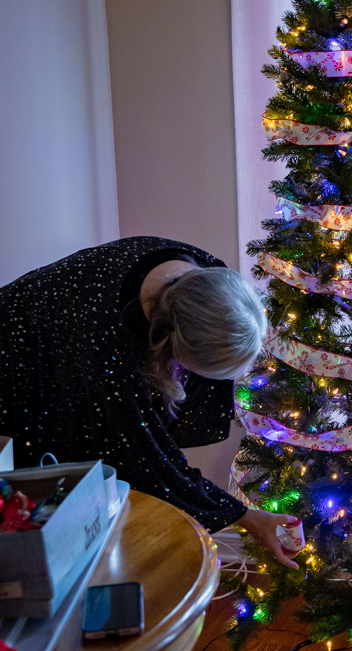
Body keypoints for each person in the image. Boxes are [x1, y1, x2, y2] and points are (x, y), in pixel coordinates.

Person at [0, 236, 299, 570]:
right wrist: (247, 517)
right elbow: (150, 463)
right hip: (14, 365)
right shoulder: (108, 356)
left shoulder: (206, 279)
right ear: (176, 353)